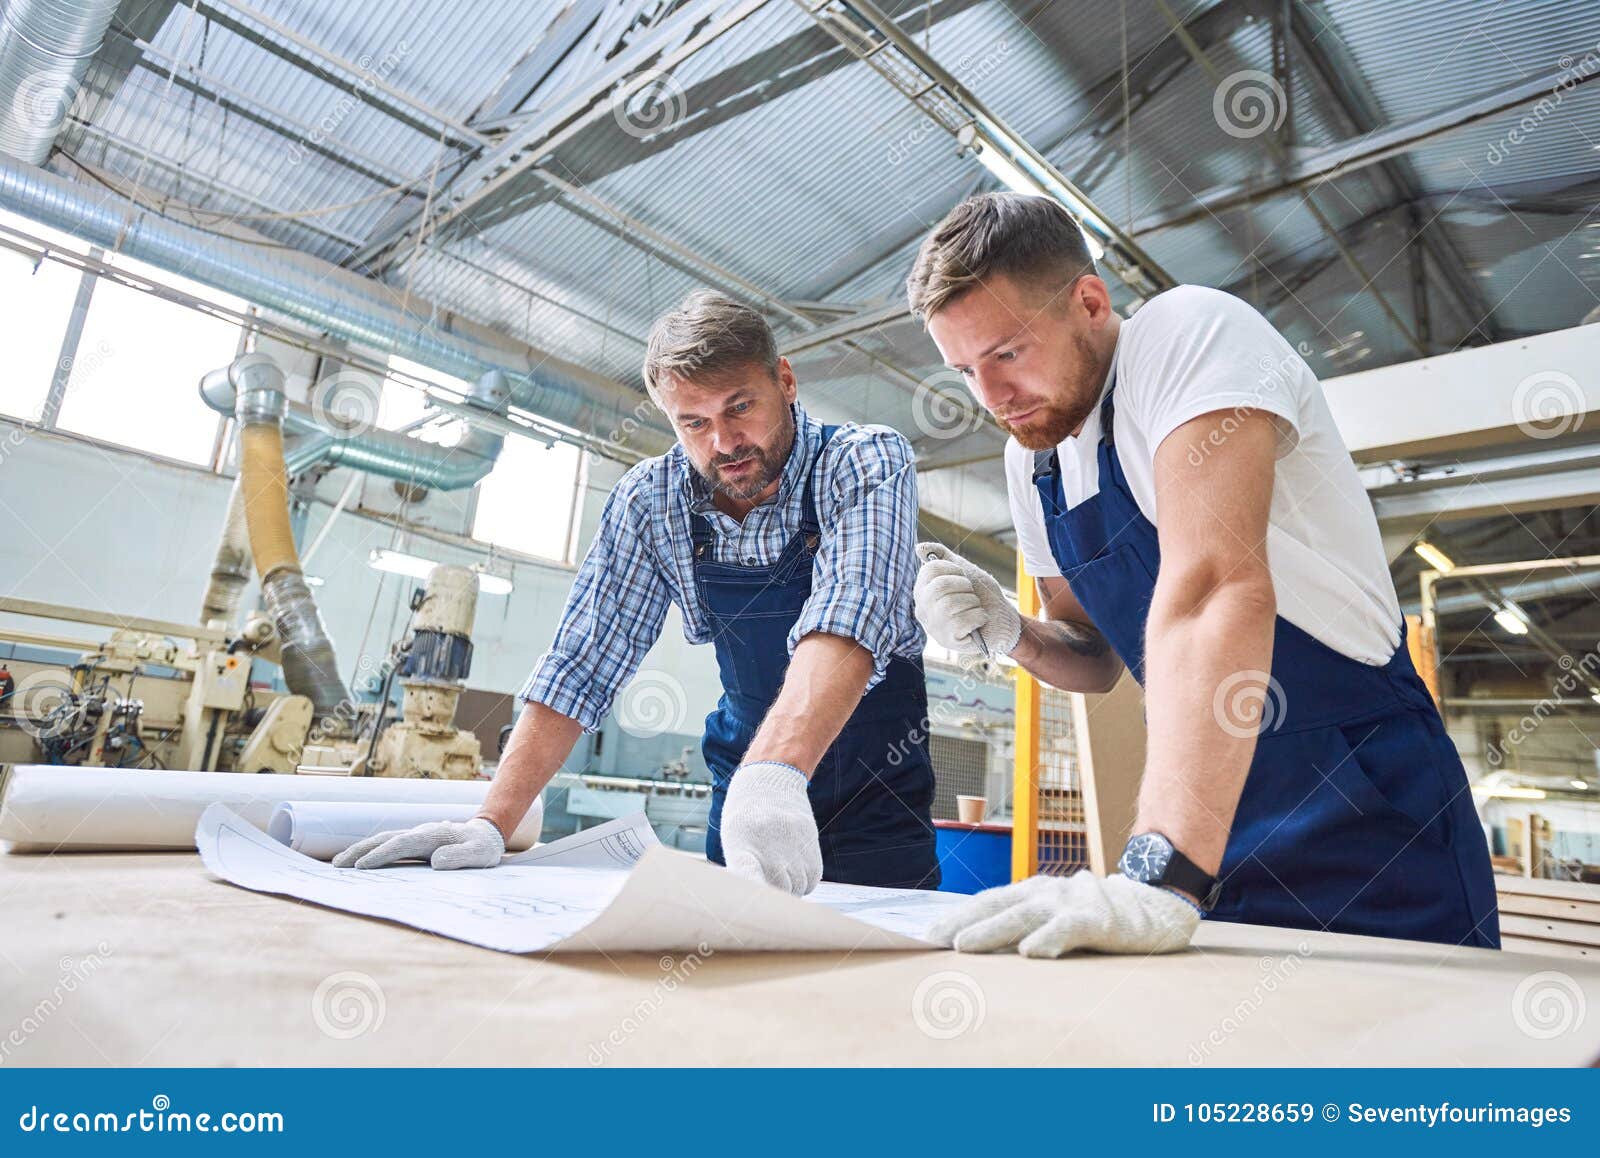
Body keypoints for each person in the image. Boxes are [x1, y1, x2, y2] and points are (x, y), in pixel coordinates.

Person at [908, 193, 1499, 957]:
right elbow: (1095, 657)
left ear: (1089, 302)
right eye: (964, 370)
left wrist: (1160, 871)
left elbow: (1216, 585)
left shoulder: (1185, 335)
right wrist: (1012, 632)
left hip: (1363, 801)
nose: (990, 397)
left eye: (1008, 354)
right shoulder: (1034, 464)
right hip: (1217, 823)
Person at [335, 291, 939, 895]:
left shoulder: (864, 461)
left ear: (785, 381)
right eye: (694, 423)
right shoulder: (650, 500)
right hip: (743, 798)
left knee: (874, 974)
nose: (724, 443)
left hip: (872, 797)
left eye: (740, 408)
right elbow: (581, 665)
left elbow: (851, 617)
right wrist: (493, 822)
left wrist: (775, 776)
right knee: (736, 971)